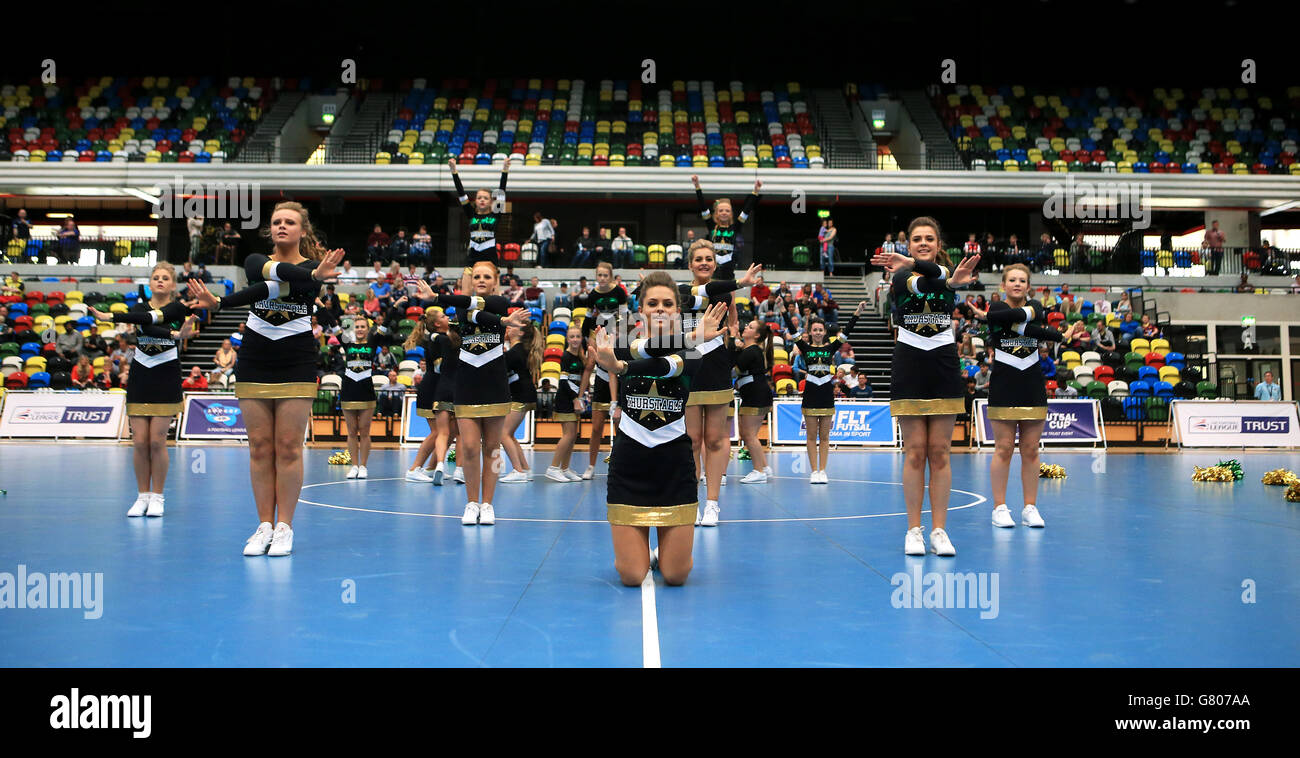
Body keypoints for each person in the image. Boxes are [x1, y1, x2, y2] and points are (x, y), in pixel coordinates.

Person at [187, 203, 345, 555]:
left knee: (288, 447)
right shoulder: (255, 261)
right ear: (269, 229)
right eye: (276, 222)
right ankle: (263, 525)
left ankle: (285, 526)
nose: (282, 226)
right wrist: (221, 303)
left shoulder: (311, 271)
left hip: (297, 360)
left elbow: (284, 285)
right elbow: (266, 284)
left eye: (290, 222)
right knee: (259, 448)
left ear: (303, 230)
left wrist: (222, 302)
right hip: (256, 359)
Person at [590, 274, 729, 586]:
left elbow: (664, 366)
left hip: (675, 467)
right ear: (641, 311)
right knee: (631, 576)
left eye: (668, 303)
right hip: (630, 465)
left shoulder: (693, 353)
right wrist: (694, 334)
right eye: (653, 304)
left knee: (676, 575)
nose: (661, 309)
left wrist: (620, 368)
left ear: (677, 312)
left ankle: (661, 553)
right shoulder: (625, 344)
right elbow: (643, 351)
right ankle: (639, 555)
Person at [871, 216, 980, 556]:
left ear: (938, 244)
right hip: (911, 363)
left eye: (929, 239)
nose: (922, 242)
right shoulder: (902, 275)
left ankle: (939, 530)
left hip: (944, 363)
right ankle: (914, 530)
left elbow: (941, 279)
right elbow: (929, 285)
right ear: (908, 245)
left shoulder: (948, 273)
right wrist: (949, 280)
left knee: (941, 452)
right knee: (916, 451)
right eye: (917, 238)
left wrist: (950, 279)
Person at [633, 243, 762, 526]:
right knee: (690, 440)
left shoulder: (725, 293)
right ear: (690, 265)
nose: (704, 263)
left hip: (716, 366)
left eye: (709, 259)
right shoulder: (680, 293)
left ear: (715, 264)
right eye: (699, 259)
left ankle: (712, 504)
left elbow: (732, 325)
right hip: (688, 364)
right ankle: (690, 500)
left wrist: (733, 334)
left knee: (716, 439)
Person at [415, 266, 532, 525]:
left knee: (492, 447)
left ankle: (488, 504)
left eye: (486, 277)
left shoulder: (501, 303)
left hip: (495, 383)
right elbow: (472, 310)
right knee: (468, 447)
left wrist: (436, 297)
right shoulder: (461, 308)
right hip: (466, 383)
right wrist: (438, 298)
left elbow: (482, 312)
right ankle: (471, 502)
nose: (481, 280)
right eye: (476, 276)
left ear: (495, 282)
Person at [979, 264, 1087, 529]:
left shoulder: (1036, 309)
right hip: (1004, 382)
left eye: (1022, 280)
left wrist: (1060, 335)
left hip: (1031, 381)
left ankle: (1030, 507)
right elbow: (1028, 327)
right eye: (1012, 280)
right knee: (1003, 448)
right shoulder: (996, 310)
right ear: (1003, 285)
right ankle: (999, 508)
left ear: (1028, 286)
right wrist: (1059, 335)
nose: (1017, 284)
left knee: (1030, 449)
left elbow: (1034, 330)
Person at [789, 302, 866, 484]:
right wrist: (784, 310)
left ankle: (822, 471)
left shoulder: (830, 348)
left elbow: (847, 332)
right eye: (814, 330)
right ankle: (813, 470)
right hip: (810, 394)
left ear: (824, 332)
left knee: (824, 437)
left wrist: (857, 313)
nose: (817, 332)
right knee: (810, 436)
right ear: (810, 331)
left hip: (825, 394)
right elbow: (792, 330)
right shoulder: (804, 348)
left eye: (820, 330)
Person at [572, 262, 629, 480]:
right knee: (596, 428)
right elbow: (588, 319)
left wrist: (620, 338)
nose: (603, 278)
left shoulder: (619, 292)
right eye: (599, 275)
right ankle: (591, 466)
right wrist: (588, 340)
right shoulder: (592, 296)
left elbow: (624, 316)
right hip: (602, 372)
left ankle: (620, 465)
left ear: (612, 276)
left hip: (616, 334)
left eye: (606, 275)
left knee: (619, 426)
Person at [338, 300, 406, 479]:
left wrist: (395, 305)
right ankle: (354, 465)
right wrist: (321, 305)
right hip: (348, 390)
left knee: (365, 430)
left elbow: (385, 324)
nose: (360, 329)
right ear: (353, 329)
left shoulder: (372, 343)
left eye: (363, 326)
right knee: (352, 431)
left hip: (366, 390)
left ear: (367, 329)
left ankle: (363, 465)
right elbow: (331, 323)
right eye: (357, 326)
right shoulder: (346, 342)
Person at [403, 305, 451, 482]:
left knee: (445, 432)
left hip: (438, 387)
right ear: (438, 323)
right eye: (445, 316)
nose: (448, 318)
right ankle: (414, 469)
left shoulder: (442, 338)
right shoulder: (437, 341)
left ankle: (431, 468)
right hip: (432, 389)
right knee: (437, 433)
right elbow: (441, 368)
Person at [448, 158, 509, 293]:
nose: (482, 200)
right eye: (479, 197)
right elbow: (461, 194)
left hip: (491, 260)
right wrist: (454, 172)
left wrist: (505, 170)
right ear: (475, 201)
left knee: (494, 298)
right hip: (472, 259)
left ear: (490, 202)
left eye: (486, 198)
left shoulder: (495, 215)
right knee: (466, 296)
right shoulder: (471, 215)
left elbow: (501, 193)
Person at [692, 174, 762, 281]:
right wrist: (697, 186)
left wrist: (755, 192)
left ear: (731, 214)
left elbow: (746, 211)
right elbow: (703, 207)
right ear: (716, 213)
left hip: (729, 269)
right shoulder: (712, 226)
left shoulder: (735, 227)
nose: (724, 213)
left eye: (727, 211)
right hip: (714, 269)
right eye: (721, 210)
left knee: (729, 294)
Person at [499, 321, 543, 482]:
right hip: (523, 394)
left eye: (513, 327)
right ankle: (524, 468)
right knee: (508, 433)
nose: (509, 328)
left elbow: (499, 368)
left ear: (521, 333)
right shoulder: (517, 350)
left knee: (503, 434)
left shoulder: (515, 352)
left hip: (521, 395)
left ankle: (518, 471)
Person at [544, 324, 589, 483]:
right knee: (568, 435)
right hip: (565, 399)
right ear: (567, 339)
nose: (575, 339)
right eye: (572, 337)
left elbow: (579, 380)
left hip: (574, 399)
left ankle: (565, 468)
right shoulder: (566, 357)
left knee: (572, 436)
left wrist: (583, 396)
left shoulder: (579, 357)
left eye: (578, 336)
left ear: (581, 338)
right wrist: (575, 398)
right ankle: (553, 468)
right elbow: (563, 382)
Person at [734, 319, 775, 484]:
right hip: (754, 394)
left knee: (750, 435)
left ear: (757, 335)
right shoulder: (750, 350)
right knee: (748, 434)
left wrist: (733, 347)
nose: (745, 327)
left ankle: (758, 471)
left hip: (755, 396)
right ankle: (764, 467)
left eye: (750, 327)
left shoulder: (751, 351)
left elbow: (735, 369)